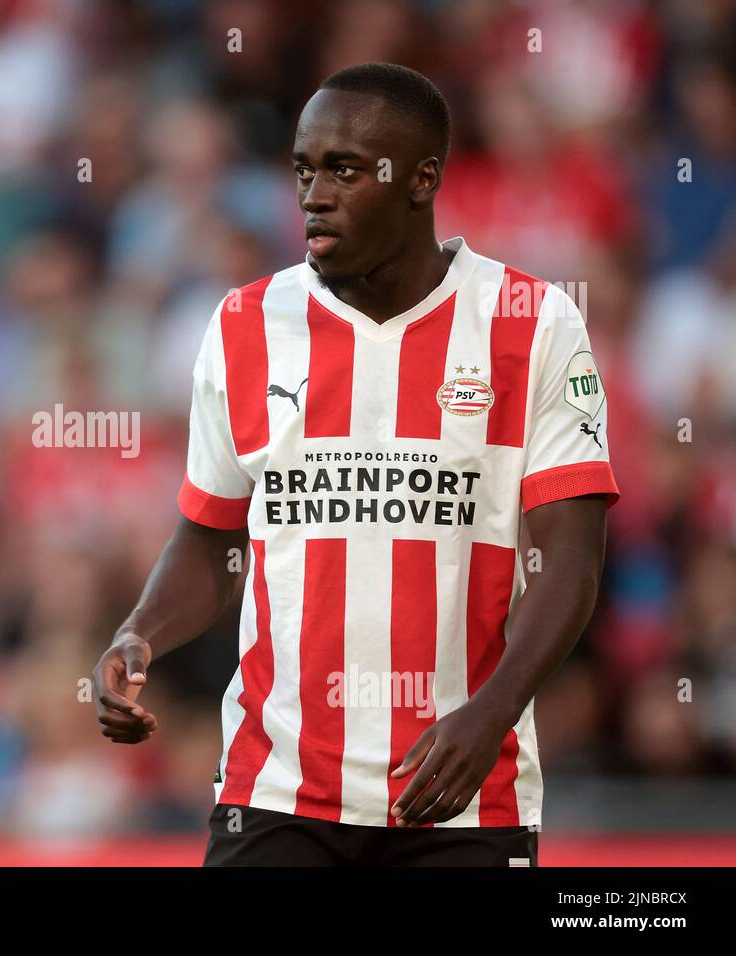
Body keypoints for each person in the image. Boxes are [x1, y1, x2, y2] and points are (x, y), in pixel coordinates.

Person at [92, 63, 619, 866]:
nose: (314, 194)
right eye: (304, 169)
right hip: (273, 795)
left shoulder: (531, 321)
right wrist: (139, 634)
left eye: (344, 170)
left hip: (464, 794)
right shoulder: (244, 323)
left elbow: (571, 560)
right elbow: (208, 540)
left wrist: (493, 712)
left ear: (421, 179)